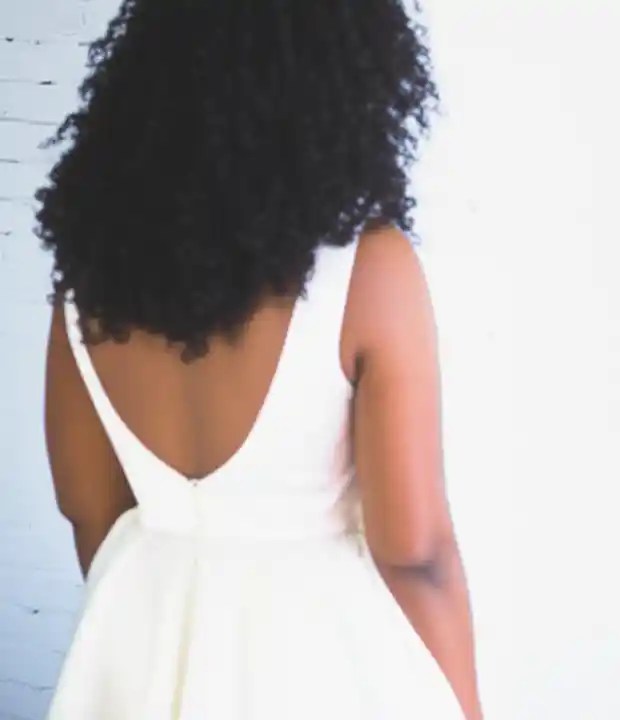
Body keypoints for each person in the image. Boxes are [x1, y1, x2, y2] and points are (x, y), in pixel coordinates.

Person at [35, 1, 481, 717]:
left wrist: (175, 613)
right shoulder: (369, 274)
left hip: (140, 657)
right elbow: (416, 553)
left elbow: (90, 513)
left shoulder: (88, 287)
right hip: (321, 660)